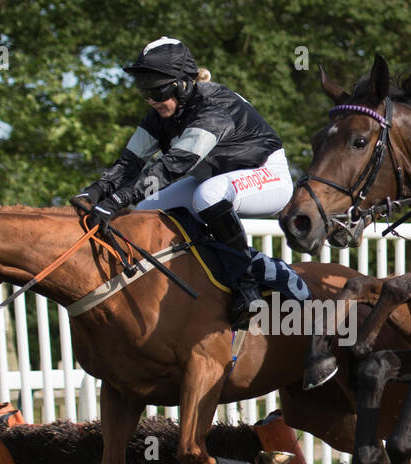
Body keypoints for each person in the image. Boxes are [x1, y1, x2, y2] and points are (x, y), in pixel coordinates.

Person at [76, 37, 292, 326]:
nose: (152, 100)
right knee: (147, 209)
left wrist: (115, 201)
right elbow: (130, 163)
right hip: (215, 179)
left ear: (183, 84)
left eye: (158, 91)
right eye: (146, 93)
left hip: (269, 176)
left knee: (208, 195)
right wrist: (94, 193)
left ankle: (246, 281)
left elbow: (172, 167)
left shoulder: (214, 108)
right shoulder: (159, 115)